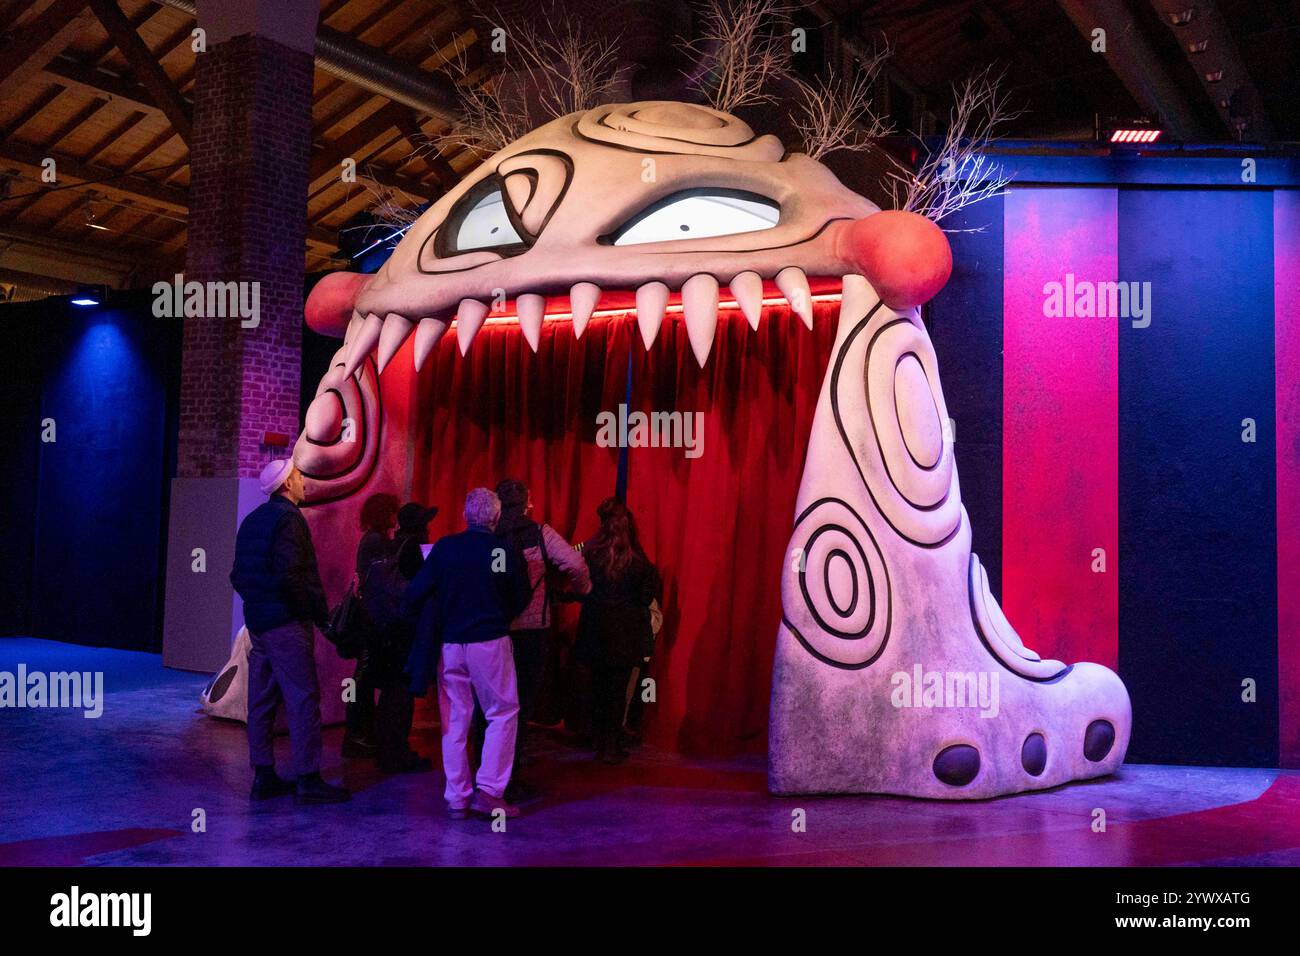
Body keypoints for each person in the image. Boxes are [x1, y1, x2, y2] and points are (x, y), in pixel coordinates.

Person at [404, 488, 531, 819]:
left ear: (464, 515)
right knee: (502, 712)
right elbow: (520, 596)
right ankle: (489, 791)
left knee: (456, 719)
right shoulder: (501, 551)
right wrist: (498, 615)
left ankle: (457, 796)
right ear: (497, 517)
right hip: (489, 640)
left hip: (450, 644)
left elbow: (417, 590)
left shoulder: (446, 548)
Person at [230, 459, 350, 804]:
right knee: (302, 699)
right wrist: (315, 614)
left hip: (259, 623)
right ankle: (308, 779)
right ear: (286, 485)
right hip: (286, 623)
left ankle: (263, 775)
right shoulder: (290, 520)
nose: (303, 481)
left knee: (261, 700)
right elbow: (292, 576)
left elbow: (237, 575)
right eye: (298, 477)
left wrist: (259, 601)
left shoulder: (253, 520)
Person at [492, 478, 590, 802]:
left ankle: (489, 776)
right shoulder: (538, 532)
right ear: (525, 503)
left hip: (493, 630)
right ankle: (512, 778)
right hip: (532, 629)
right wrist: (582, 590)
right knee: (519, 706)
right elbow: (574, 563)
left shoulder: (487, 533)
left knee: (492, 706)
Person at [575, 498, 660, 765]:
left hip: (595, 630)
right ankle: (611, 745)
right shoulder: (639, 563)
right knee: (617, 691)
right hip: (624, 634)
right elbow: (647, 597)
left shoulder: (590, 555)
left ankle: (599, 741)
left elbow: (578, 585)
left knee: (597, 686)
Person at [368, 501, 438, 773]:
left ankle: (387, 750)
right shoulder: (412, 549)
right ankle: (397, 753)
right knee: (401, 694)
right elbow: (420, 588)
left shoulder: (390, 545)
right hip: (404, 630)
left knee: (389, 693)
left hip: (385, 628)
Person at [343, 492, 401, 759]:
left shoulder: (370, 540)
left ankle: (358, 732)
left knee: (362, 677)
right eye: (393, 511)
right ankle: (358, 734)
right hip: (372, 621)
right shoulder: (378, 542)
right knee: (364, 678)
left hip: (366, 618)